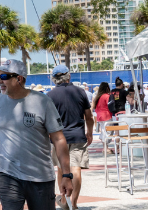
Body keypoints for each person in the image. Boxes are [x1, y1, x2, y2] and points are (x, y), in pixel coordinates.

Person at [0, 59, 73, 209]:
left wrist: (66, 175)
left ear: (19, 78)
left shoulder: (43, 101)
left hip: (40, 176)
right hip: (7, 174)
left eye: (4, 76)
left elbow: (59, 139)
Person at [47, 65, 95, 210]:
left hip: (57, 138)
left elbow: (46, 120)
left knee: (61, 169)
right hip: (77, 136)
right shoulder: (80, 92)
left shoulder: (50, 95)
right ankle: (73, 203)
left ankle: (64, 201)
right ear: (69, 76)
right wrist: (90, 132)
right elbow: (89, 116)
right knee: (76, 168)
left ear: (54, 79)